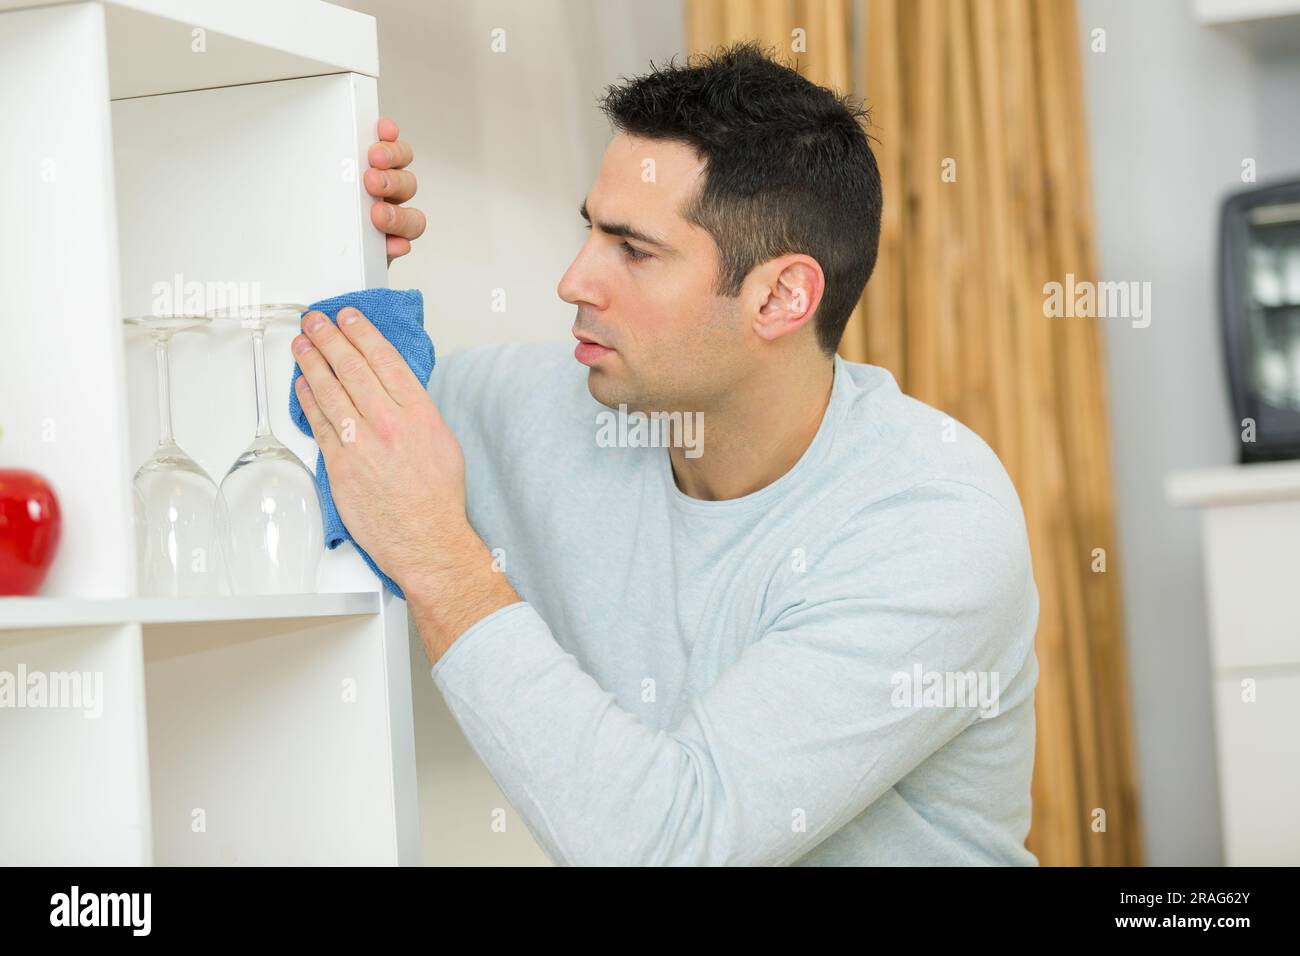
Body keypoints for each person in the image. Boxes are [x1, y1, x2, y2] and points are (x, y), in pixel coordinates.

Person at [302, 41, 1040, 866]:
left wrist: (439, 559)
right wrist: (342, 248)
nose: (574, 281)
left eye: (634, 250)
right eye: (590, 231)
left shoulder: (930, 522)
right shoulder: (553, 404)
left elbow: (674, 845)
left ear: (781, 296)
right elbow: (331, 436)